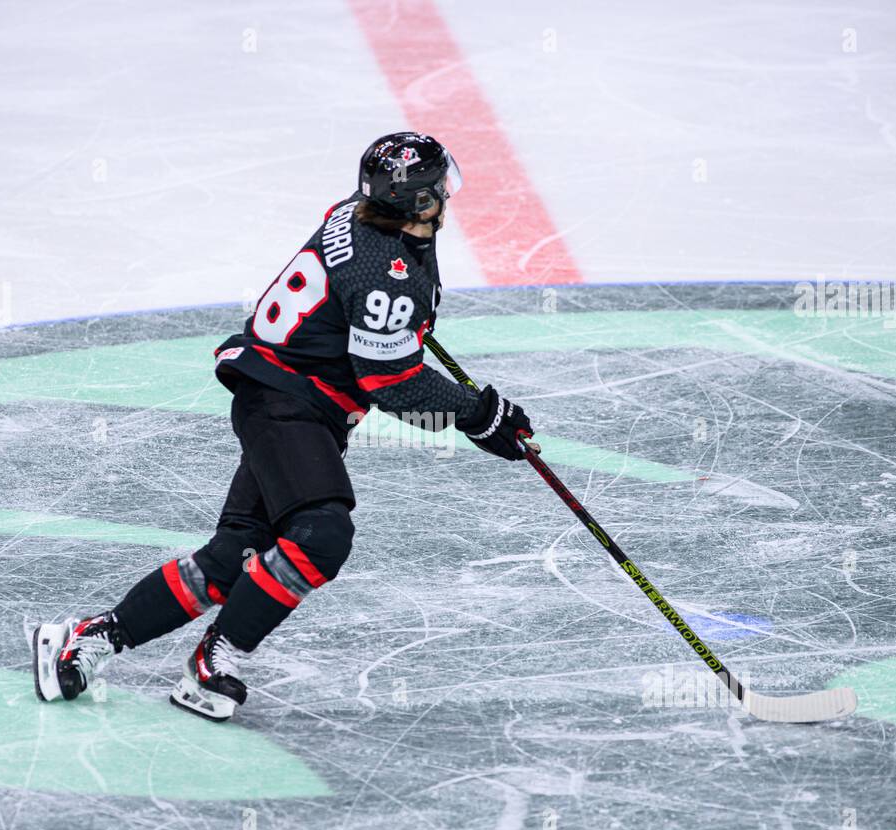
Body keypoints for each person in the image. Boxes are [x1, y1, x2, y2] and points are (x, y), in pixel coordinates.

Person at [31, 132, 534, 721]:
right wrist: (479, 416)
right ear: (420, 202)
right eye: (438, 188)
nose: (447, 196)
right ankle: (217, 657)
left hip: (278, 393)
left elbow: (364, 305)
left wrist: (403, 322)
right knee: (321, 535)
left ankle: (91, 636)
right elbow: (390, 383)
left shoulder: (356, 216)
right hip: (289, 404)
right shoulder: (389, 272)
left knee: (234, 557)